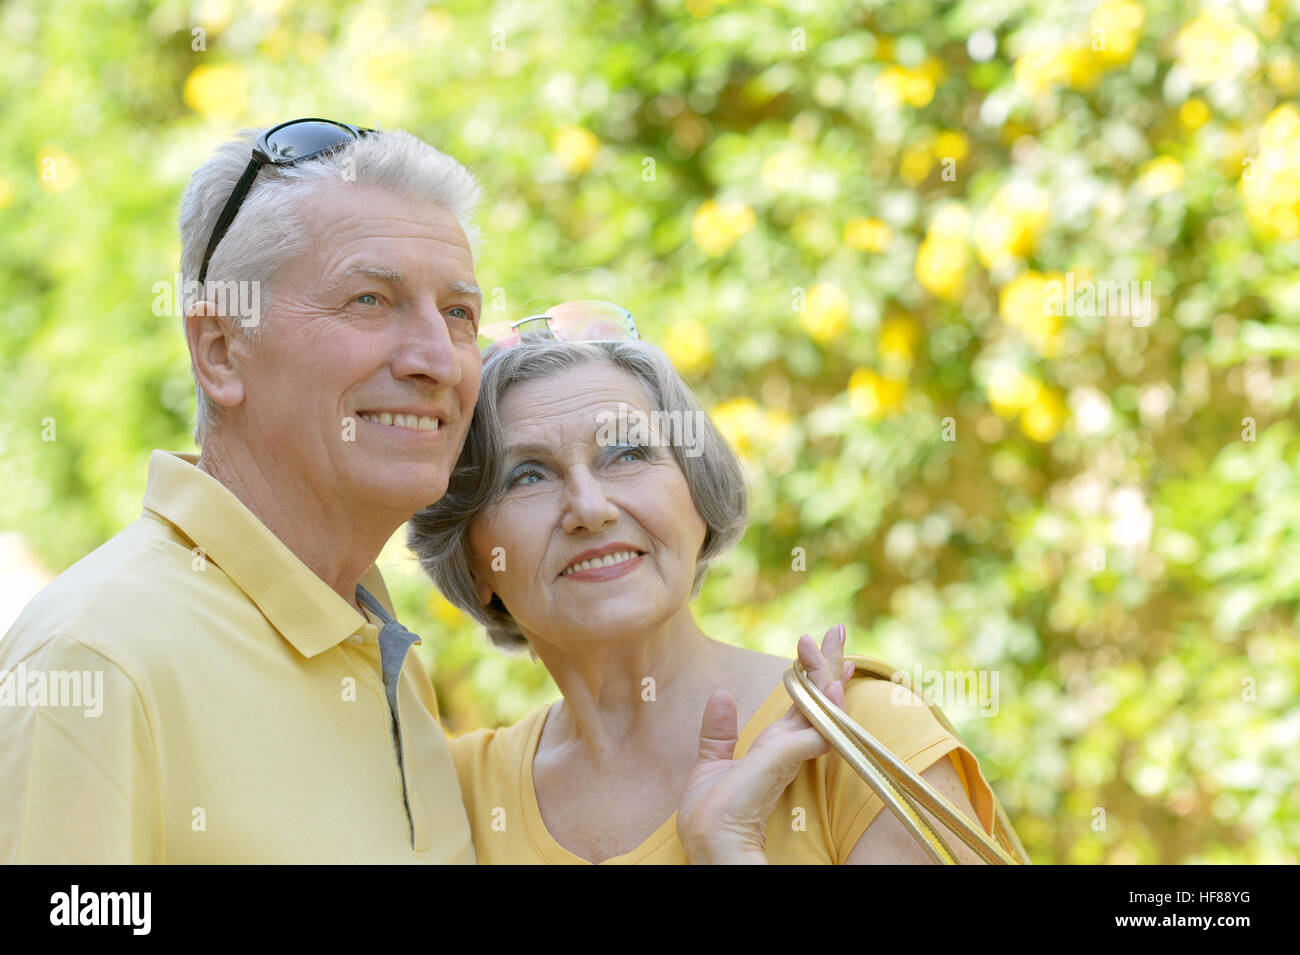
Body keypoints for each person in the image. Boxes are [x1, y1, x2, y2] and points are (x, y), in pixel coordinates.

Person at [0, 119, 486, 862]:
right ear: (222, 351)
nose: (437, 359)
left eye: (458, 313)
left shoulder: (388, 655)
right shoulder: (97, 658)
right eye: (369, 300)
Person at [408, 315, 1003, 863]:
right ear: (474, 558)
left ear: (698, 496)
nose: (589, 509)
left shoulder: (860, 734)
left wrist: (731, 850)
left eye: (626, 453)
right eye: (526, 476)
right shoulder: (452, 792)